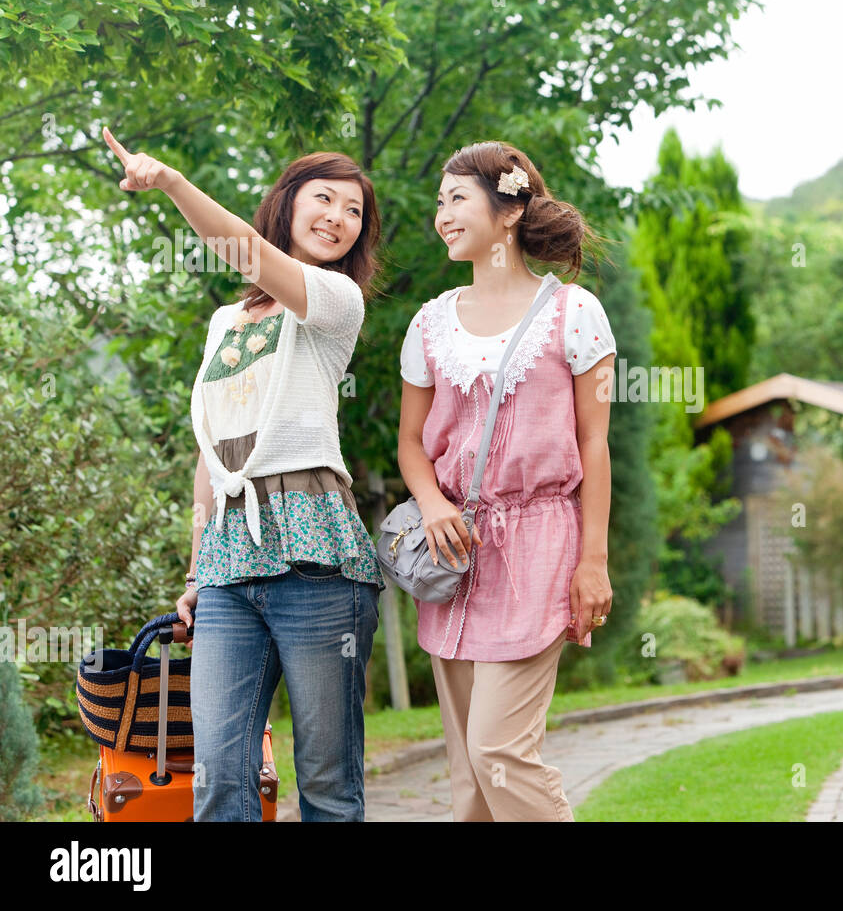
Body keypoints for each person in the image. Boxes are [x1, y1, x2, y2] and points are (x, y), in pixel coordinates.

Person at [101, 127, 384, 821]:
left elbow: (243, 250)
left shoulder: (334, 303)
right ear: (287, 204)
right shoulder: (227, 320)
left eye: (354, 212)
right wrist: (198, 568)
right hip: (230, 560)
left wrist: (170, 181)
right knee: (221, 776)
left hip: (318, 557)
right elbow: (213, 452)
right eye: (324, 199)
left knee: (326, 783)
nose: (338, 219)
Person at [396, 140, 615, 821]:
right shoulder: (430, 322)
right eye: (440, 201)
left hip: (540, 545)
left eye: (457, 197)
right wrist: (431, 504)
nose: (443, 214)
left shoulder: (575, 313)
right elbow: (409, 443)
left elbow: (594, 443)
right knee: (469, 782)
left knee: (498, 750)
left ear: (510, 208)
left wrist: (594, 561)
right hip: (453, 554)